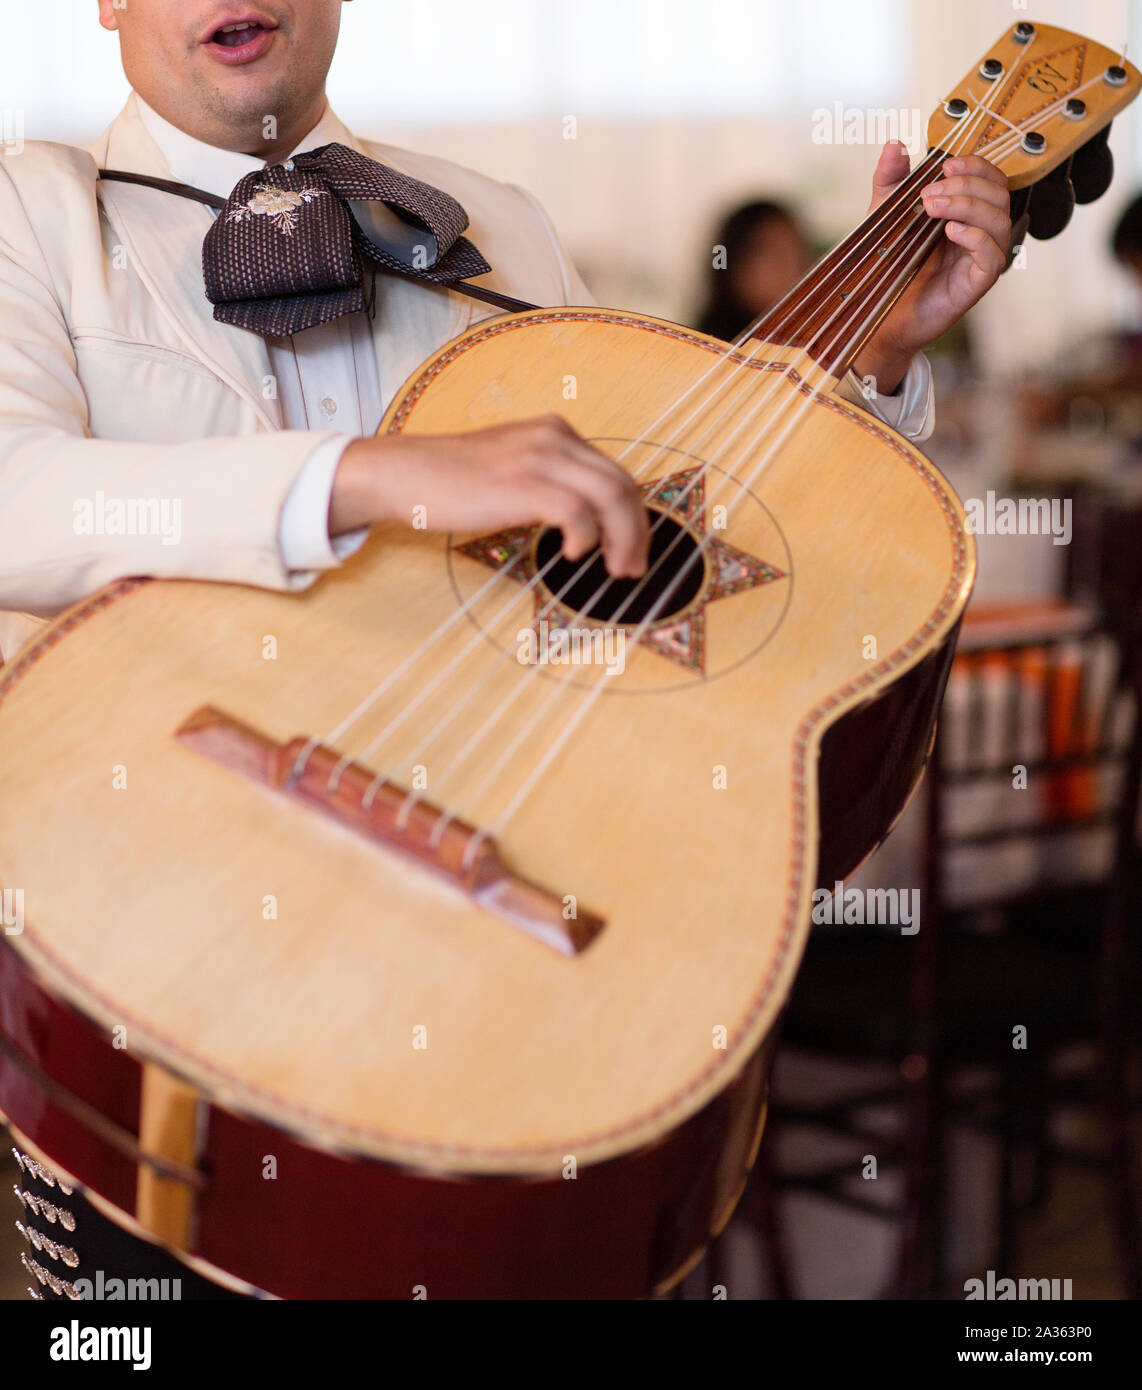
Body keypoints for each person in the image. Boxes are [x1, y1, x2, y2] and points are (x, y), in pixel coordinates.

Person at [1, 0, 1013, 1298]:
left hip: (494, 970)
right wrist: (369, 475)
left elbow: (662, 542)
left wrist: (860, 356)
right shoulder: (31, 211)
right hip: (144, 947)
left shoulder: (498, 224)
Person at [695, 199, 813, 343]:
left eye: (798, 254)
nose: (792, 268)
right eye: (775, 255)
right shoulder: (702, 348)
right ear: (735, 264)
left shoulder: (810, 340)